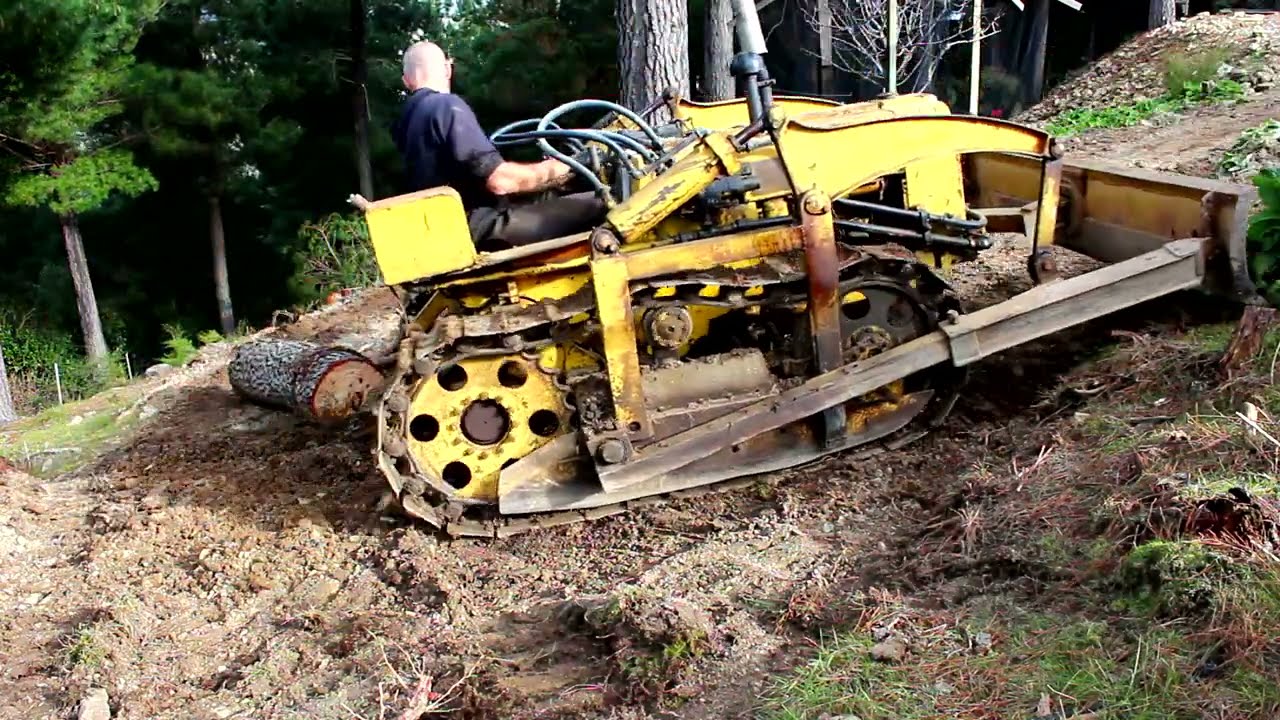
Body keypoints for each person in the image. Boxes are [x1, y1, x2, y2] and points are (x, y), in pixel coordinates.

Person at [391, 40, 607, 250]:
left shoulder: (402, 124)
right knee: (607, 202)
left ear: (406, 81)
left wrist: (554, 179)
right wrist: (567, 165)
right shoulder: (445, 107)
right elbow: (500, 181)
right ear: (448, 69)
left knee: (554, 195)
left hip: (441, 233)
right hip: (478, 230)